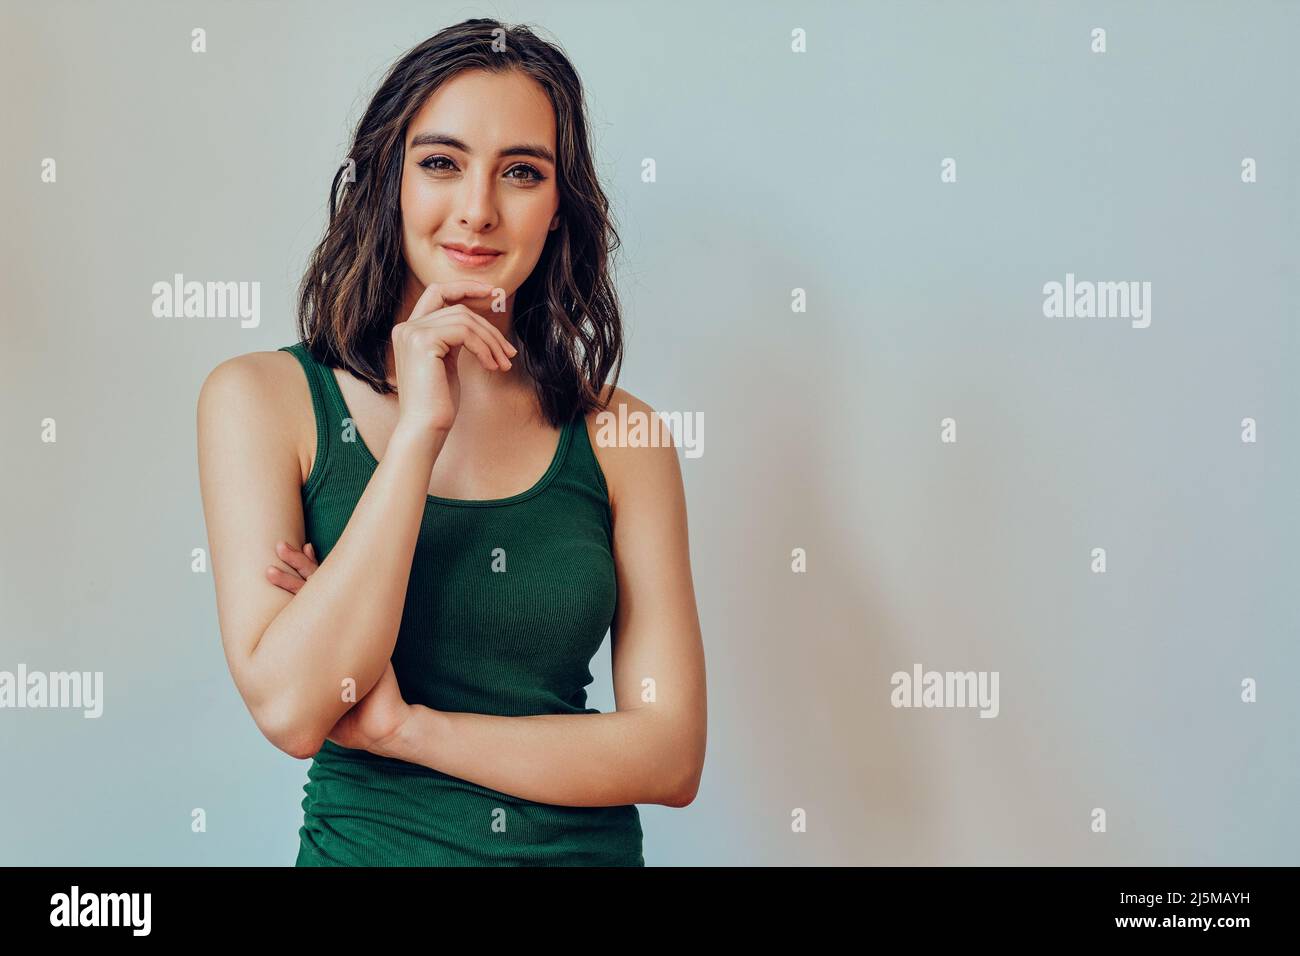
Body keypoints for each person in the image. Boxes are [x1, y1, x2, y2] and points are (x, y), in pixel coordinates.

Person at [196, 18, 706, 866]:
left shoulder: (622, 434)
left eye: (521, 172)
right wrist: (416, 437)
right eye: (441, 162)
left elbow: (670, 751)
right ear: (386, 182)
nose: (478, 208)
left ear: (558, 207)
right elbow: (291, 709)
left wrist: (408, 730)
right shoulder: (264, 401)